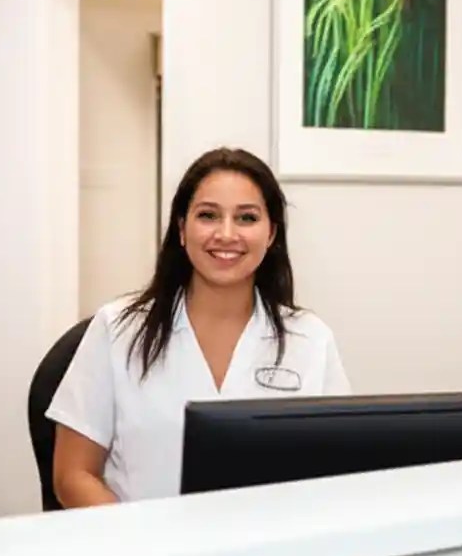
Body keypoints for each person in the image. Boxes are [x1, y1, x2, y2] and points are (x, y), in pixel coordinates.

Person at [45, 147, 351, 508]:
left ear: (271, 234)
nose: (226, 234)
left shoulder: (311, 339)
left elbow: (339, 474)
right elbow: (73, 474)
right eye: (208, 215)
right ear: (181, 228)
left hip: (272, 540)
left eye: (247, 218)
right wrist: (138, 538)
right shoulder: (117, 329)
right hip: (145, 540)